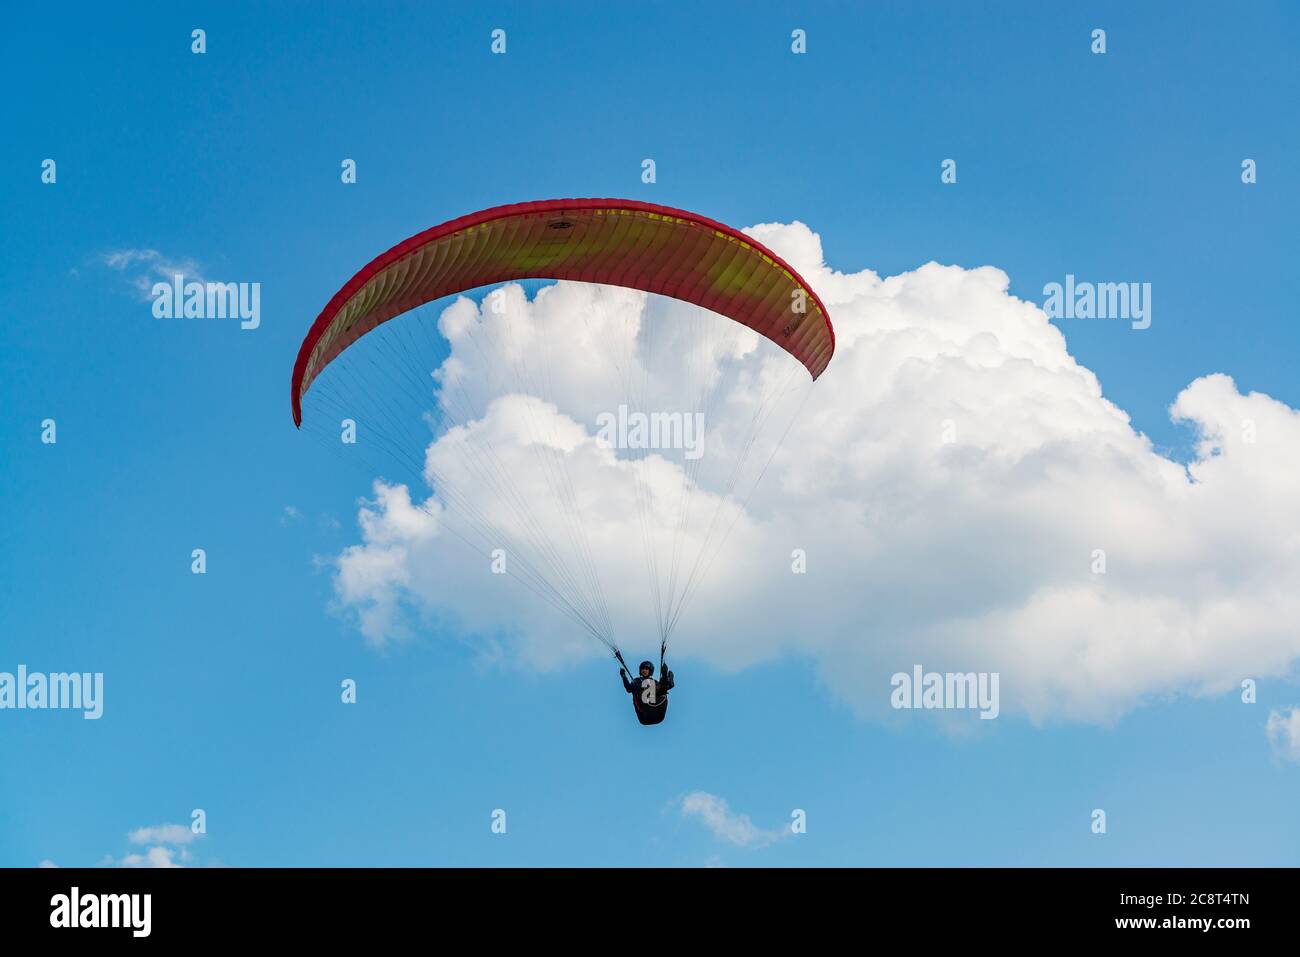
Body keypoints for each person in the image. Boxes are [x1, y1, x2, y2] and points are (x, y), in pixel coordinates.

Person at [621, 659, 674, 725]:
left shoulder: (654, 682)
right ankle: (665, 680)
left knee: (659, 687)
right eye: (642, 669)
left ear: (650, 671)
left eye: (646, 669)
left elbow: (660, 692)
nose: (644, 670)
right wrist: (624, 677)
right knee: (645, 684)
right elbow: (629, 689)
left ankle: (665, 678)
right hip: (644, 714)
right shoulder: (637, 681)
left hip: (658, 713)